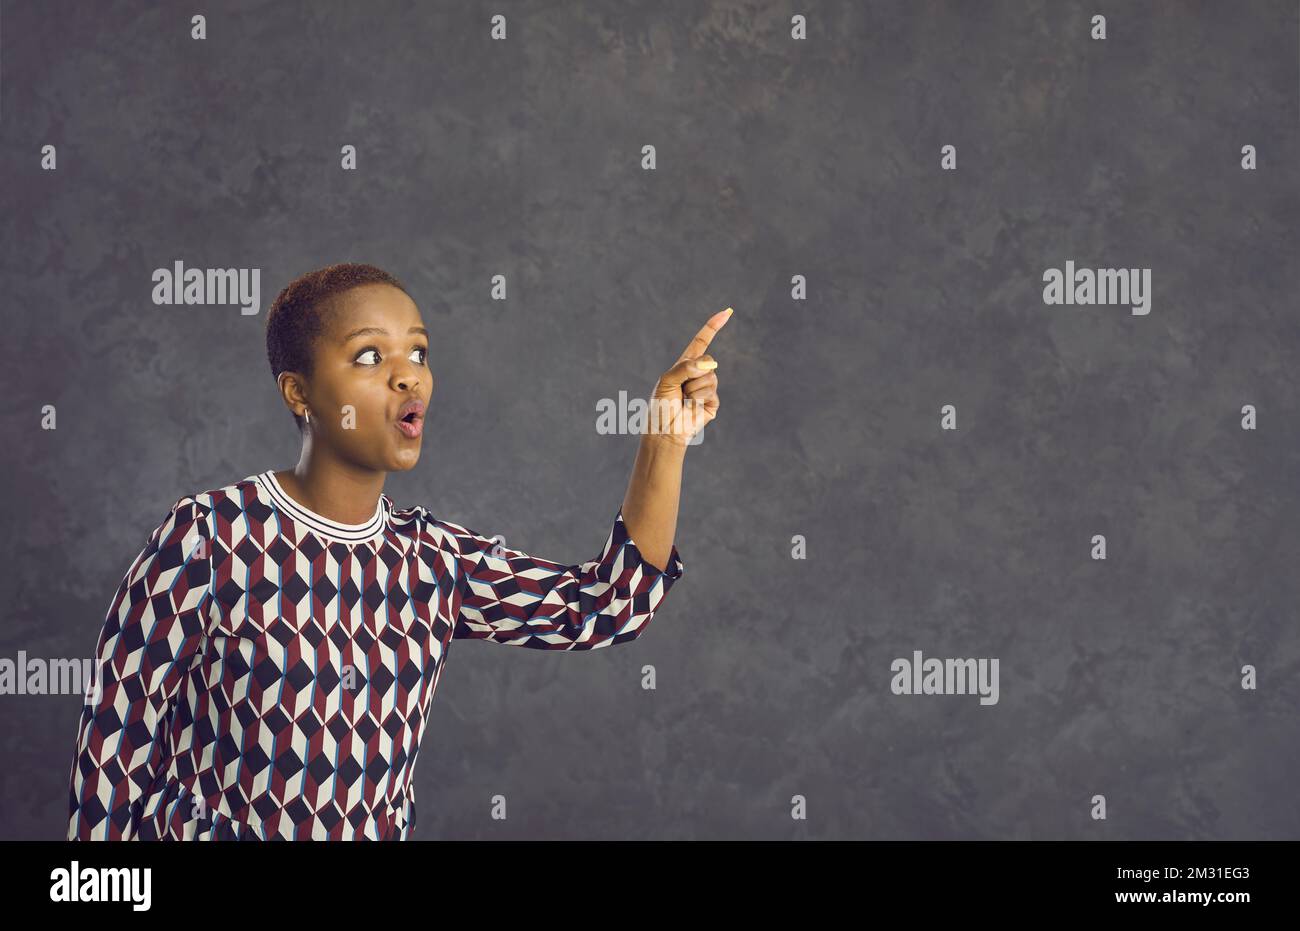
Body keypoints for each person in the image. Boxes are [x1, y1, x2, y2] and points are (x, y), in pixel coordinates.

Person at [66, 262, 729, 840]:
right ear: (299, 392)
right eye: (368, 357)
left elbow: (609, 606)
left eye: (418, 352)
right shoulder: (210, 538)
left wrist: (665, 441)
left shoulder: (432, 562)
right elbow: (114, 740)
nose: (408, 377)